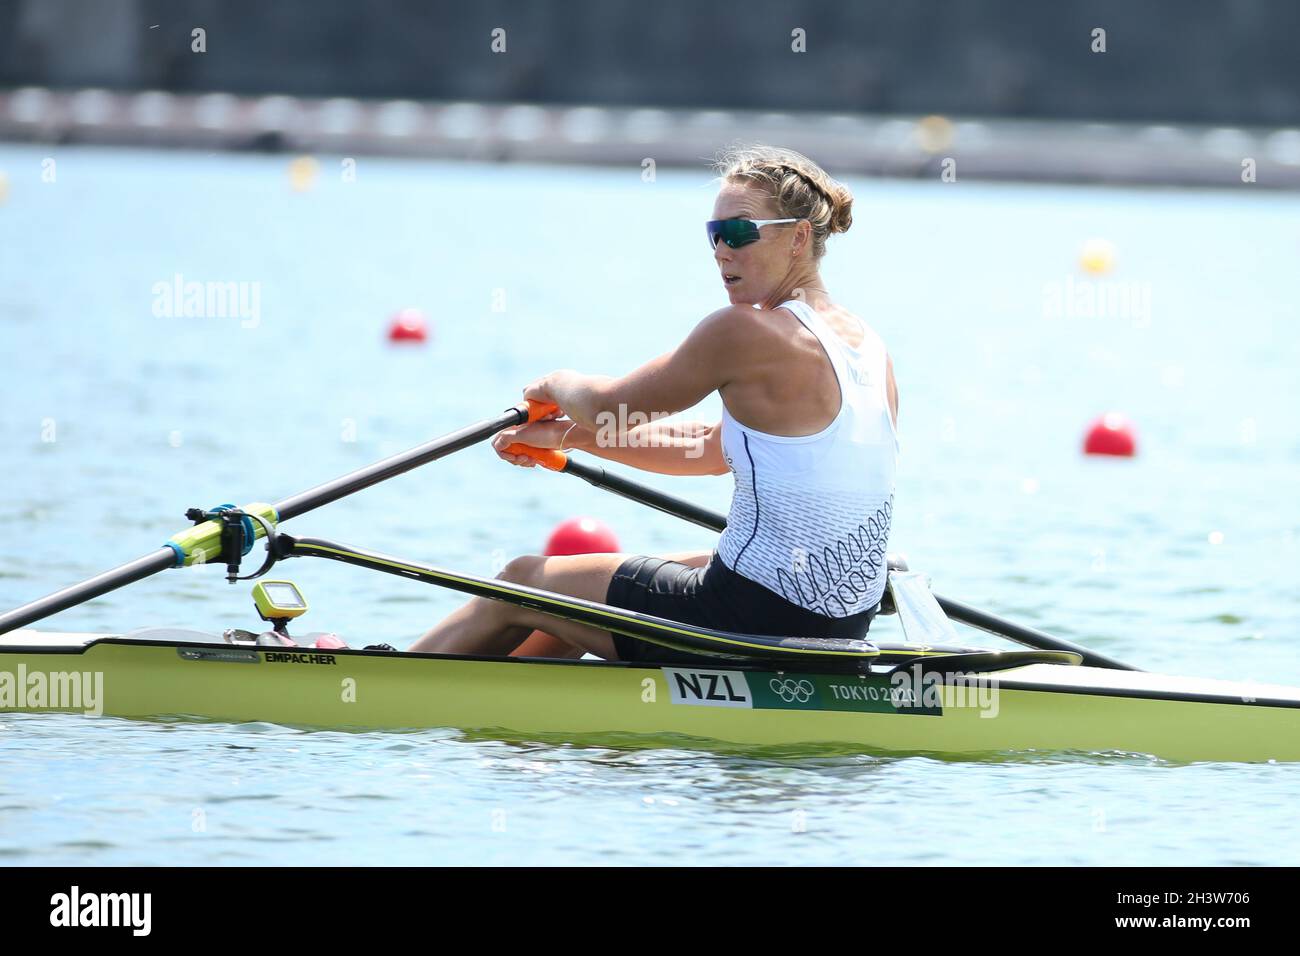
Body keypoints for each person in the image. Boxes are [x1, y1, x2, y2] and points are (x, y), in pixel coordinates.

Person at [408, 145, 898, 662]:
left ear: (798, 236)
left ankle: (397, 686)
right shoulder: (869, 345)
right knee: (588, 590)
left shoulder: (743, 330)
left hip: (747, 620)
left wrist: (558, 384)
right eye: (714, 236)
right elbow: (710, 449)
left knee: (519, 582)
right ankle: (529, 714)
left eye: (738, 233)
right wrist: (566, 438)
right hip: (841, 620)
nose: (721, 251)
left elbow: (608, 407)